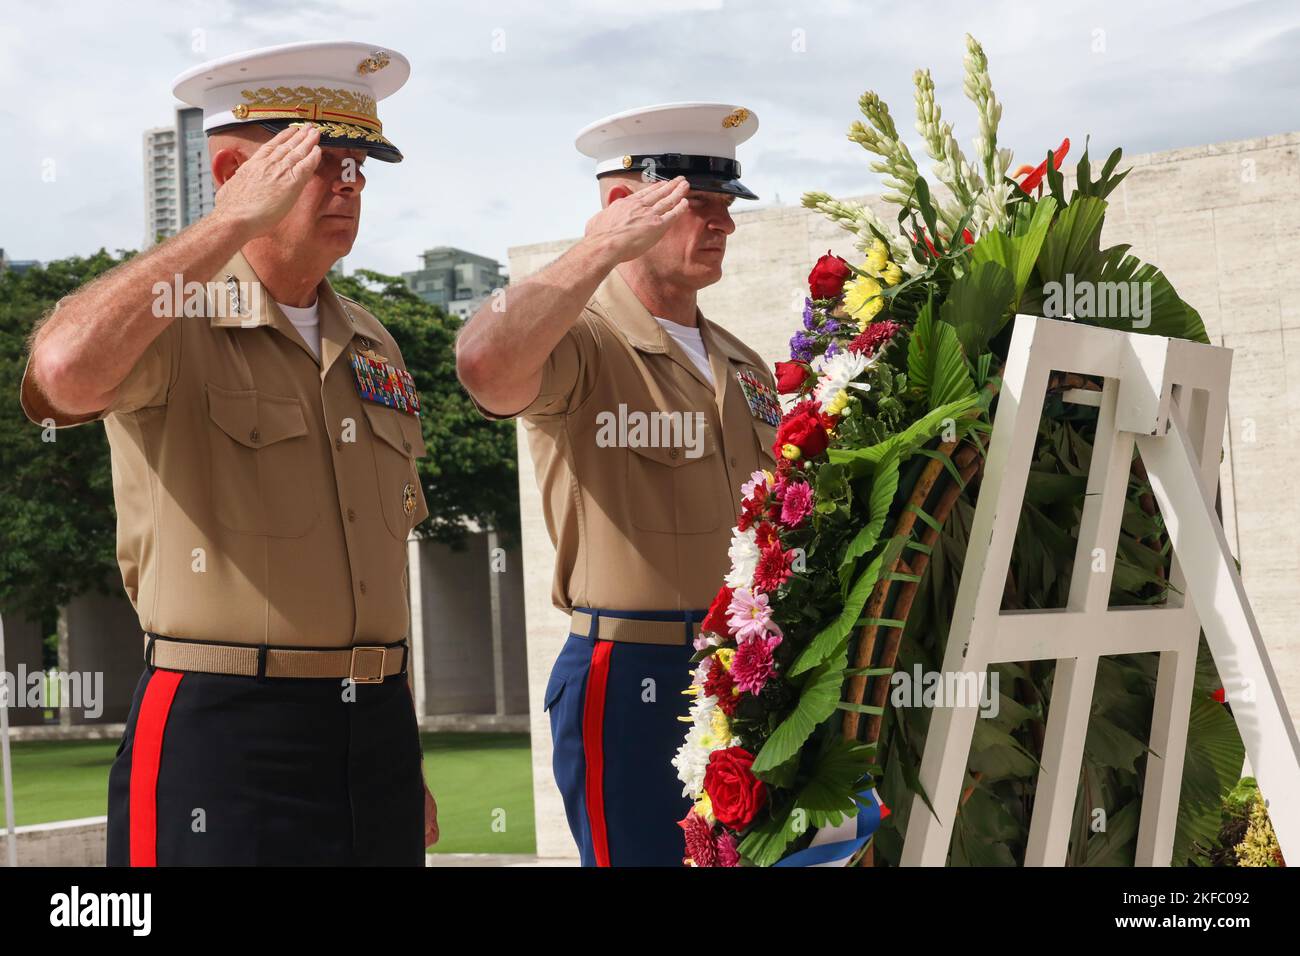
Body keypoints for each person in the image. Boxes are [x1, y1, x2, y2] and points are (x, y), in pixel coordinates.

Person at [20, 40, 438, 866]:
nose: (348, 185)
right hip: (225, 724)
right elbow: (62, 373)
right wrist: (227, 227)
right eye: (318, 162)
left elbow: (381, 564)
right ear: (229, 170)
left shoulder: (374, 342)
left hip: (376, 726)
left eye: (360, 166)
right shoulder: (172, 317)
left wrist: (404, 740)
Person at [456, 102, 779, 866]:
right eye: (697, 204)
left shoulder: (747, 366)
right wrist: (594, 253)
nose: (723, 223)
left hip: (748, 672)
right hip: (632, 673)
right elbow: (484, 364)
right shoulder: (582, 345)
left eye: (726, 204)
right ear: (621, 207)